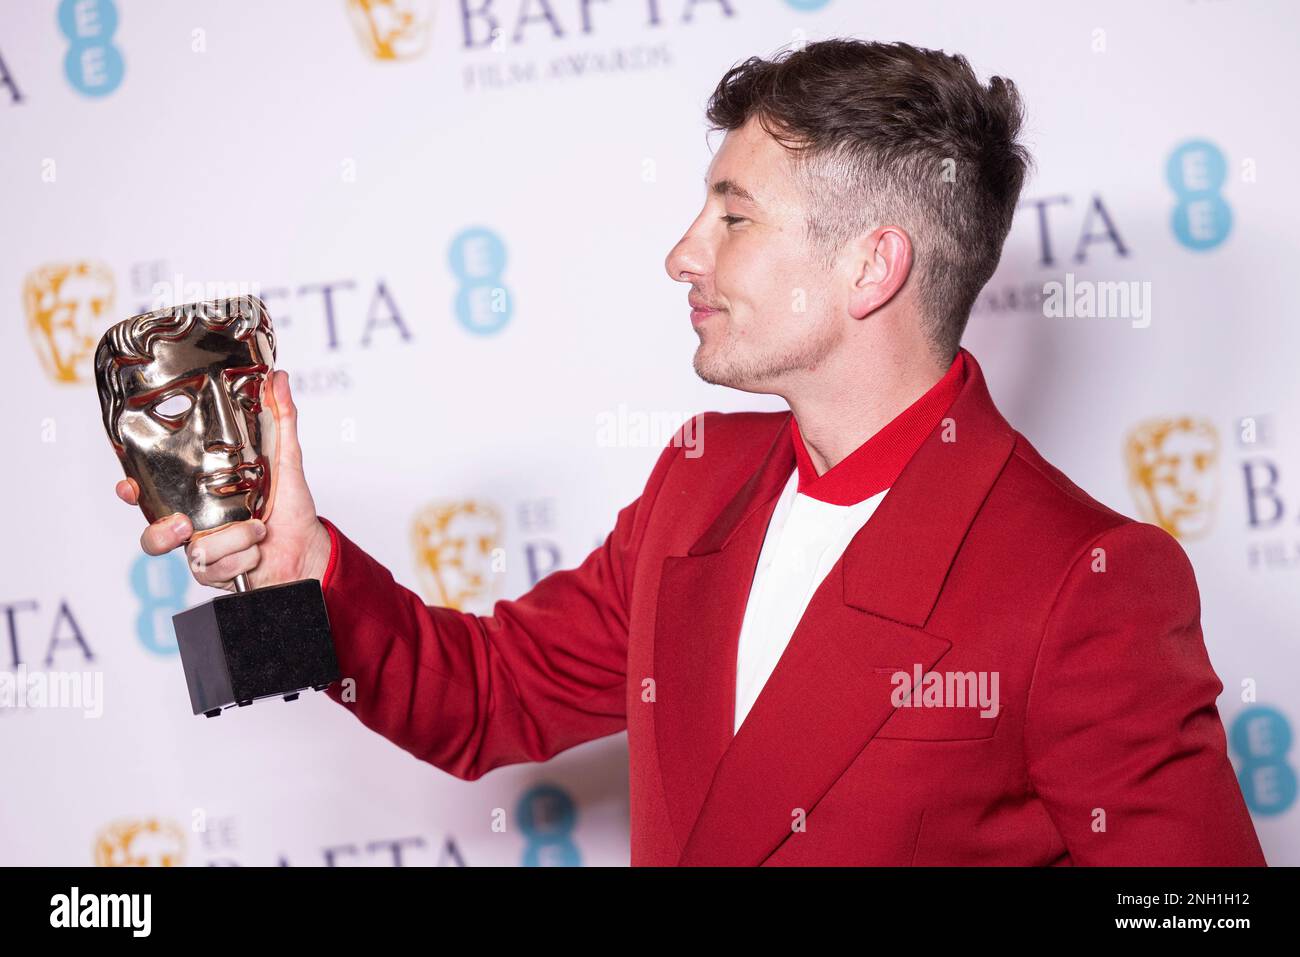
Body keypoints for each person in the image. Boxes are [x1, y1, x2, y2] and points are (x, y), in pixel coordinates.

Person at [117, 39, 1266, 866]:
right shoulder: (699, 476)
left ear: (872, 268)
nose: (682, 255)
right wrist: (290, 573)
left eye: (732, 216)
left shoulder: (1088, 581)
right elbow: (486, 699)